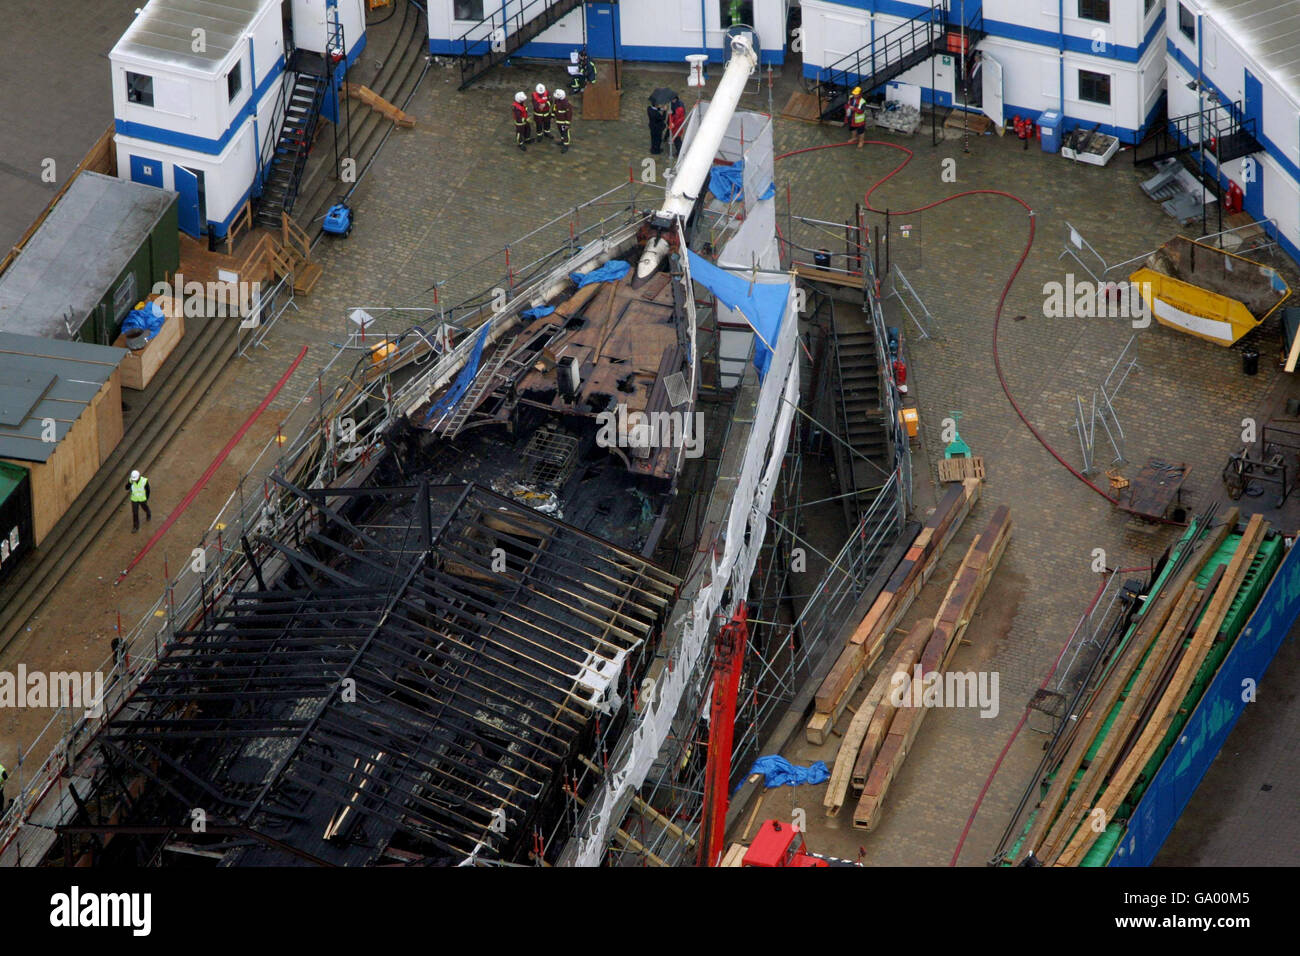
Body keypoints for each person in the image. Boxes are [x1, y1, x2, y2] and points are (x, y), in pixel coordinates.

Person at [126, 469, 151, 533]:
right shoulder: (131, 480)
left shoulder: (144, 481)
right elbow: (126, 488)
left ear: (139, 476)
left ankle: (148, 512)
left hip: (142, 499)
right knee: (135, 513)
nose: (134, 480)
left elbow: (148, 490)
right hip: (134, 499)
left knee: (145, 508)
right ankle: (135, 527)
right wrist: (129, 483)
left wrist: (146, 498)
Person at [553, 88, 573, 152]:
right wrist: (553, 115)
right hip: (558, 121)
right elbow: (555, 108)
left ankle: (566, 145)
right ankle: (562, 141)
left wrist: (567, 123)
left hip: (563, 122)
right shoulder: (557, 101)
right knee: (561, 132)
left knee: (565, 133)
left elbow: (569, 114)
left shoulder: (566, 104)